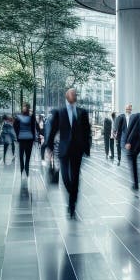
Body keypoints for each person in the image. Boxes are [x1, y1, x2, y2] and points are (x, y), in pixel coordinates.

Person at [45, 88, 92, 218]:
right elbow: (53, 130)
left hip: (78, 149)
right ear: (67, 96)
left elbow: (87, 131)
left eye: (76, 94)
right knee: (65, 177)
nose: (75, 95)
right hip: (64, 149)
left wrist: (87, 147)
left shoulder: (82, 112)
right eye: (72, 93)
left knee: (75, 176)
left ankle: (72, 204)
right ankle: (73, 193)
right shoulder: (59, 112)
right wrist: (49, 148)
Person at [13, 103, 38, 181]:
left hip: (23, 139)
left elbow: (15, 126)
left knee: (23, 155)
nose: (24, 108)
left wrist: (18, 134)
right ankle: (25, 170)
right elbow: (35, 127)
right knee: (25, 156)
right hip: (28, 139)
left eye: (24, 107)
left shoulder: (19, 117)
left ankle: (24, 170)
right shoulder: (31, 117)